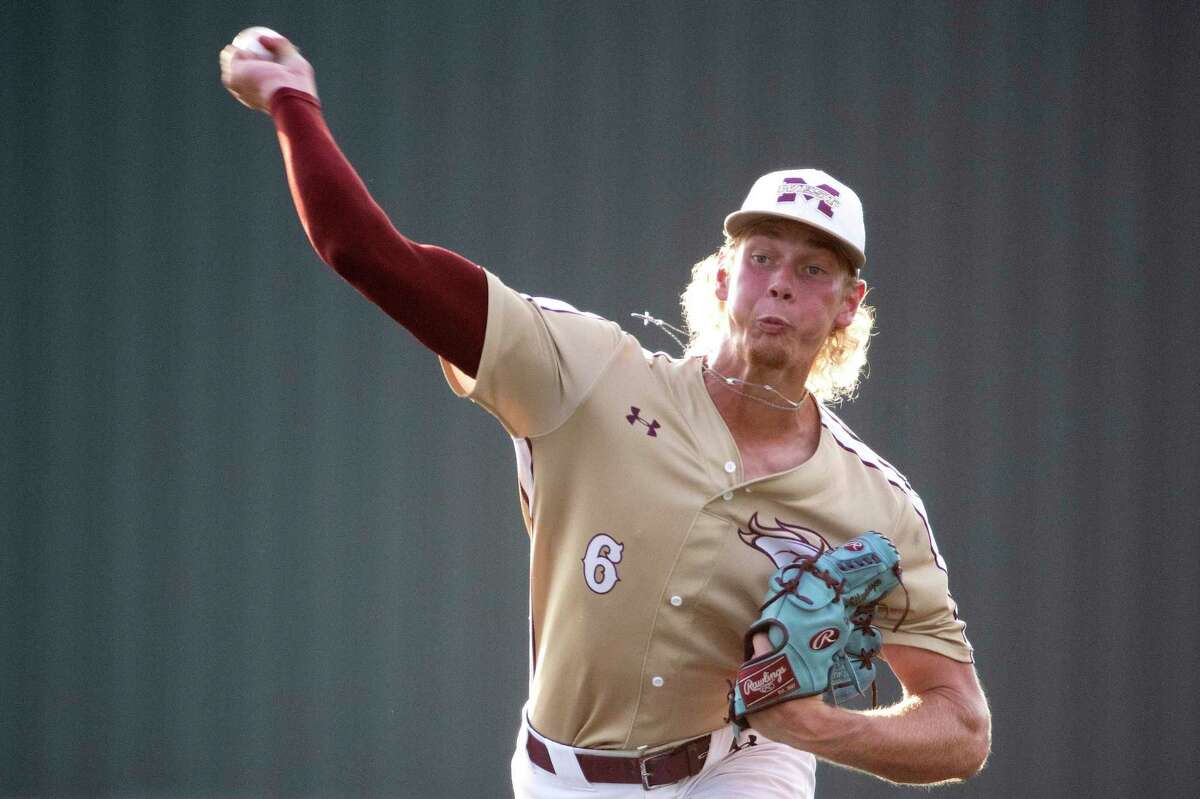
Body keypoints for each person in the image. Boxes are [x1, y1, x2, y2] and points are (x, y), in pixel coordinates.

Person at [220, 32, 991, 797]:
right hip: (571, 777)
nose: (781, 284)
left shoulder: (876, 505)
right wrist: (293, 99)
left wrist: (829, 731)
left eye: (813, 268)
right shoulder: (586, 375)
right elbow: (364, 249)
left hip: (745, 763)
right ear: (723, 276)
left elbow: (963, 728)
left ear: (848, 306)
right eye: (762, 256)